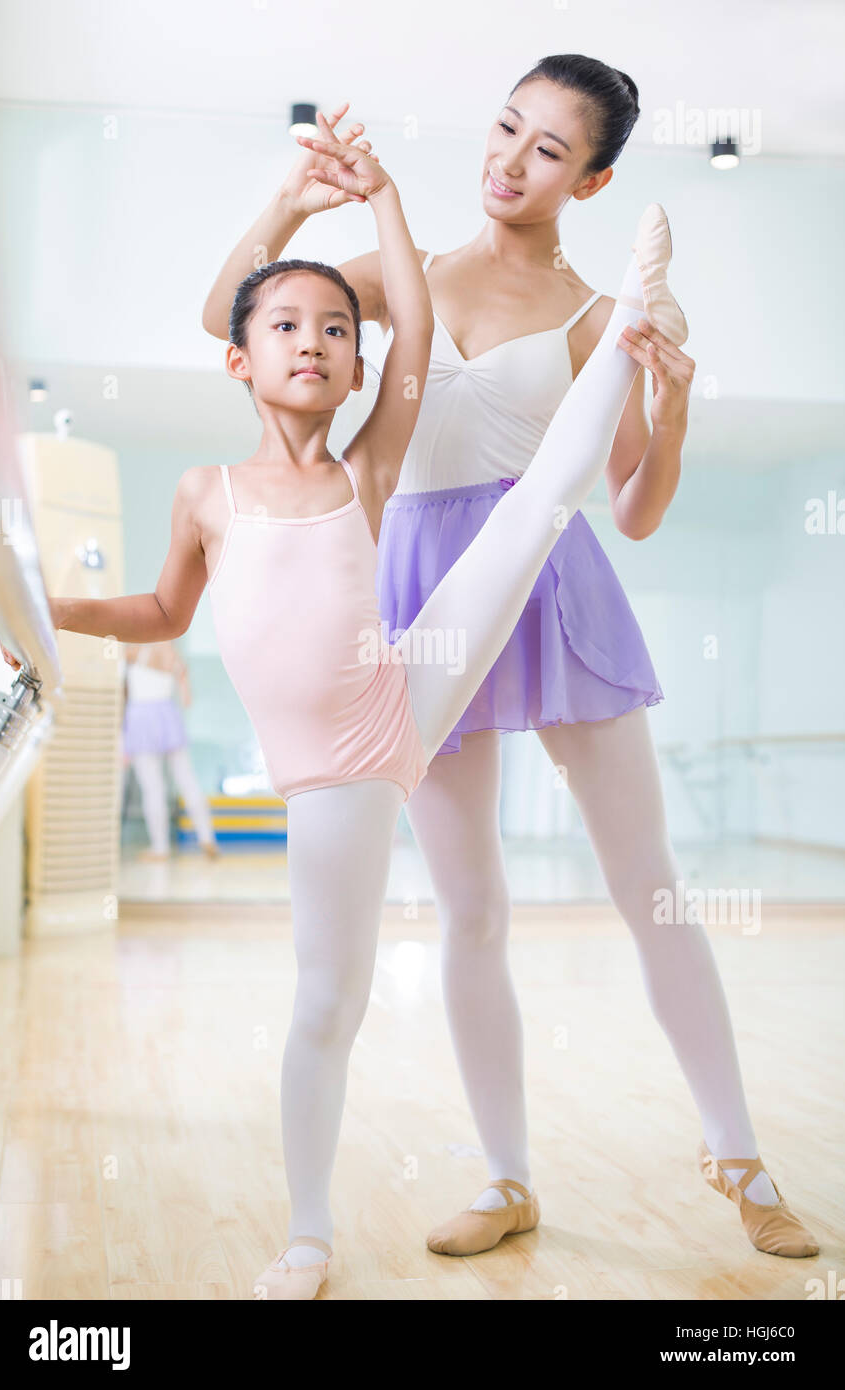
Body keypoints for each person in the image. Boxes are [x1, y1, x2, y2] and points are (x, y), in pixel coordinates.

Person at [0, 119, 808, 1302]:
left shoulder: (364, 465)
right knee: (329, 991)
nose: (317, 342)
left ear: (590, 178)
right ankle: (312, 1233)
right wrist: (50, 612)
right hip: (333, 762)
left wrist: (380, 197)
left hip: (402, 691)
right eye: (288, 329)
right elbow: (163, 609)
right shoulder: (207, 492)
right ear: (242, 360)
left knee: (537, 506)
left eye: (337, 329)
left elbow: (416, 338)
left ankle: (634, 319)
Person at [201, 63, 820, 1272]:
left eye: (546, 151)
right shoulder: (410, 276)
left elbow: (633, 507)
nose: (509, 160)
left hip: (548, 577)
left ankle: (739, 1158)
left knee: (649, 888)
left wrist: (674, 406)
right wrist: (293, 204)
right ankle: (507, 1176)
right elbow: (234, 307)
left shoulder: (598, 316)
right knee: (469, 907)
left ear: (589, 181)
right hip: (422, 594)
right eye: (504, 128)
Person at [121, 640, 219, 861]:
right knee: (187, 779)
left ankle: (160, 847)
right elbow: (187, 699)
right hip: (167, 713)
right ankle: (207, 837)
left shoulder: (135, 650)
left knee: (152, 786)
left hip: (141, 717)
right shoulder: (171, 652)